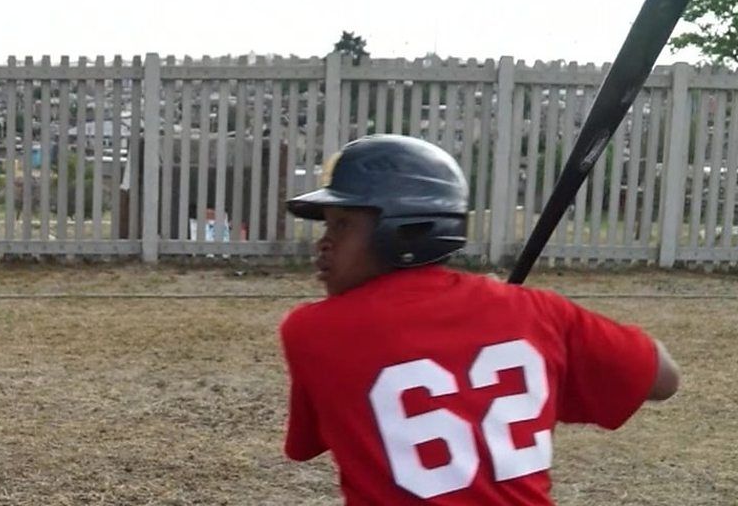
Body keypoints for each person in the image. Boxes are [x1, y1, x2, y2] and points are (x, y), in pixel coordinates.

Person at [279, 134, 679, 505]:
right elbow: (664, 378)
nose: (323, 242)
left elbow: (304, 446)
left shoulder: (311, 331)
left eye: (341, 224)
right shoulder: (536, 311)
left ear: (404, 229)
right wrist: (520, 319)